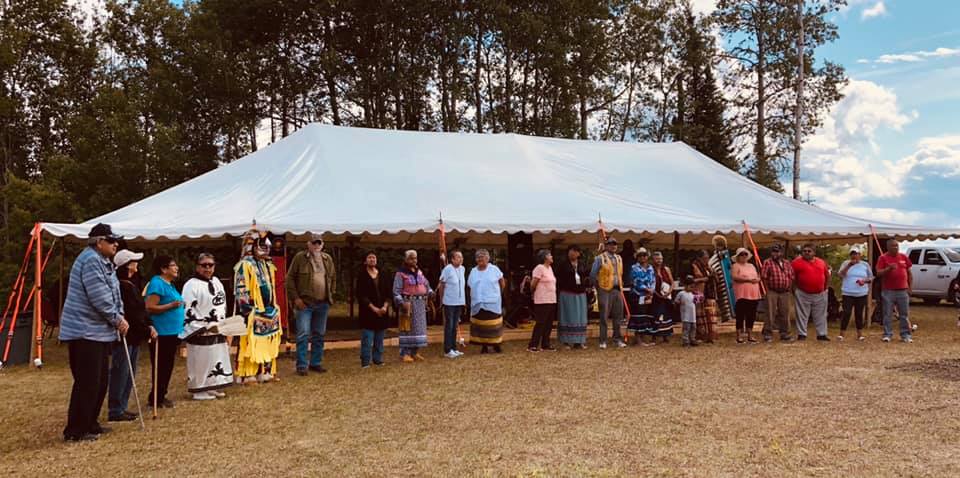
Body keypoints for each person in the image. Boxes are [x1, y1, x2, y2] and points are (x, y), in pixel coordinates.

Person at [60, 224, 129, 441]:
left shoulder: (103, 262)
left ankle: (90, 422)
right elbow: (99, 297)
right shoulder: (90, 260)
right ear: (99, 241)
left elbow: (114, 293)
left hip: (98, 332)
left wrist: (119, 314)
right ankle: (76, 430)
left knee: (100, 381)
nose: (115, 244)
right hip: (84, 331)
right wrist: (117, 319)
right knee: (88, 381)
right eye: (111, 240)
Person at [107, 249, 156, 422]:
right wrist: (146, 328)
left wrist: (148, 325)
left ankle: (122, 406)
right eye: (134, 261)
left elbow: (141, 309)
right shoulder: (121, 286)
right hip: (125, 335)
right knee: (121, 371)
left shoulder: (132, 283)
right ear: (127, 265)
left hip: (134, 335)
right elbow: (133, 312)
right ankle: (115, 409)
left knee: (129, 372)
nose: (137, 264)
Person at [180, 253, 233, 400]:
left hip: (217, 327)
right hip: (200, 329)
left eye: (211, 265)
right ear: (197, 266)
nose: (208, 268)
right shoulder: (191, 285)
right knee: (201, 359)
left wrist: (222, 323)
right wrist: (200, 326)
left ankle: (212, 385)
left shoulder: (217, 282)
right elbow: (187, 307)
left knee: (216, 357)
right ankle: (199, 390)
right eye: (204, 265)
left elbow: (222, 304)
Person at [234, 229, 282, 382]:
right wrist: (247, 310)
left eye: (267, 244)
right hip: (253, 311)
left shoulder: (267, 264)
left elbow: (271, 287)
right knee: (250, 342)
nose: (267, 247)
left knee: (267, 340)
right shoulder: (244, 265)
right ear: (251, 246)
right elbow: (241, 289)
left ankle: (264, 372)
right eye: (261, 244)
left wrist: (273, 305)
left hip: (269, 310)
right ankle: (248, 374)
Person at [286, 233, 336, 375]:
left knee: (319, 334)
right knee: (303, 334)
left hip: (322, 303)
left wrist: (330, 295)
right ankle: (302, 365)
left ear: (322, 244)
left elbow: (333, 278)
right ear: (308, 244)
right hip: (305, 303)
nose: (316, 245)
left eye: (319, 243)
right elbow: (289, 279)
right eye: (314, 243)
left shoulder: (328, 259)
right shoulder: (300, 258)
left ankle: (315, 363)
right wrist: (296, 299)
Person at [145, 255, 185, 408]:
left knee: (167, 365)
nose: (176, 268)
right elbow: (149, 307)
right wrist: (171, 306)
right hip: (162, 332)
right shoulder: (157, 283)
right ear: (163, 269)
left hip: (172, 332)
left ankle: (161, 395)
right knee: (161, 365)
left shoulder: (169, 284)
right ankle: (155, 398)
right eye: (173, 265)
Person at [393, 250, 434, 361]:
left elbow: (426, 284)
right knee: (407, 328)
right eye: (411, 258)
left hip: (420, 304)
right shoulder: (400, 273)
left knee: (419, 329)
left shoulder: (419, 272)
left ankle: (415, 352)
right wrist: (401, 303)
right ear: (406, 260)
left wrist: (430, 292)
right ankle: (404, 354)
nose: (414, 260)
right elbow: (396, 291)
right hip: (407, 304)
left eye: (415, 258)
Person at [356, 251, 391, 368]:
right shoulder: (362, 275)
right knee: (367, 338)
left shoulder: (383, 274)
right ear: (365, 261)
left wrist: (385, 306)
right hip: (368, 312)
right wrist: (373, 308)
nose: (372, 259)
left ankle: (378, 359)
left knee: (379, 338)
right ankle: (365, 361)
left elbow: (388, 293)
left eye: (374, 257)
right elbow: (361, 295)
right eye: (369, 257)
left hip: (382, 311)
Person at [590, 237, 627, 349]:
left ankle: (617, 339)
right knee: (604, 316)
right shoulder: (600, 258)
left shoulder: (619, 258)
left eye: (615, 244)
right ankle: (603, 340)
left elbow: (620, 274)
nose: (613, 246)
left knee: (618, 316)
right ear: (606, 246)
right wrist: (598, 287)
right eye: (611, 244)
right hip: (604, 289)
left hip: (617, 289)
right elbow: (592, 274)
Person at [467, 249, 506, 353]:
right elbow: (470, 286)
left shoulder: (494, 269)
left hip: (492, 303)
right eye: (478, 257)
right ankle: (484, 346)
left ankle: (496, 345)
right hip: (478, 303)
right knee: (481, 326)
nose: (480, 259)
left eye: (483, 257)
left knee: (494, 325)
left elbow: (502, 283)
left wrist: (498, 294)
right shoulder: (473, 271)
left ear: (488, 258)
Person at [792, 243, 831, 341]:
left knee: (821, 315)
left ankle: (821, 334)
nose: (806, 253)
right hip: (802, 293)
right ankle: (802, 334)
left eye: (809, 251)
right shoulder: (796, 262)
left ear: (814, 252)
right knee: (802, 315)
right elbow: (792, 278)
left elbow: (827, 275)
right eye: (804, 251)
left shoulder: (821, 262)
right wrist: (795, 290)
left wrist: (825, 289)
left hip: (820, 293)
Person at [876, 239, 913, 343]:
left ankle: (905, 335)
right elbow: (878, 273)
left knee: (904, 314)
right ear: (887, 247)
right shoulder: (882, 258)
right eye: (893, 246)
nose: (895, 247)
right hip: (888, 290)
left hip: (903, 290)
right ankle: (887, 334)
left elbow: (909, 273)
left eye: (897, 245)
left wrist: (910, 287)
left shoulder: (903, 257)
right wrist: (888, 269)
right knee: (887, 313)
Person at [556, 245, 590, 349]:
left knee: (580, 317)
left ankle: (578, 341)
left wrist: (587, 286)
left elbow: (586, 275)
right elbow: (557, 277)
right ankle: (566, 341)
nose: (573, 253)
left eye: (576, 252)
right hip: (567, 293)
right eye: (571, 251)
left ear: (579, 254)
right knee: (567, 316)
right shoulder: (562, 264)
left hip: (580, 293)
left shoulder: (582, 264)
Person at [760, 244, 795, 343]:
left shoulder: (787, 263)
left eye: (777, 251)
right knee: (770, 313)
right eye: (773, 251)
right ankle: (767, 334)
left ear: (781, 253)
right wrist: (767, 290)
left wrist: (789, 287)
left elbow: (791, 276)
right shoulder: (768, 262)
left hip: (784, 292)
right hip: (772, 291)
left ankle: (785, 334)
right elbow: (764, 277)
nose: (775, 253)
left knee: (785, 313)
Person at [838, 248, 874, 342]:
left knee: (859, 313)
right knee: (846, 312)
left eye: (856, 254)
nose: (854, 256)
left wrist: (864, 281)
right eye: (852, 254)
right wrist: (849, 265)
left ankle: (859, 334)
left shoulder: (865, 264)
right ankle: (842, 334)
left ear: (860, 255)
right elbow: (841, 275)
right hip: (847, 293)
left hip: (861, 293)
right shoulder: (846, 263)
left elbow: (871, 277)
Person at [437, 250, 466, 358]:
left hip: (459, 301)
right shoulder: (447, 269)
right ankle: (447, 349)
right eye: (458, 257)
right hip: (449, 301)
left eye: (461, 257)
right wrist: (441, 300)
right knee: (449, 325)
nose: (461, 259)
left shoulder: (462, 269)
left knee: (455, 325)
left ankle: (454, 348)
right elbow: (441, 285)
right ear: (452, 259)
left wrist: (464, 301)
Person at [528, 249, 558, 352]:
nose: (552, 257)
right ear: (545, 257)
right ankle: (533, 344)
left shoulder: (550, 268)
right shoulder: (539, 268)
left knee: (549, 323)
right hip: (542, 300)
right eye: (550, 255)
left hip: (551, 299)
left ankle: (546, 344)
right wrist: (533, 293)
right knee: (540, 322)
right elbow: (533, 284)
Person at [731, 248, 762, 344]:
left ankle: (750, 335)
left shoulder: (751, 265)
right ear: (738, 256)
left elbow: (757, 276)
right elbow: (735, 277)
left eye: (745, 254)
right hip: (742, 294)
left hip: (753, 294)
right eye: (741, 254)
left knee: (751, 315)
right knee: (740, 315)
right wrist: (748, 280)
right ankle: (739, 335)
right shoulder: (735, 266)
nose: (744, 256)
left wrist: (757, 280)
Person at [627, 248, 656, 346]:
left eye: (644, 255)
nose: (643, 257)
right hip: (637, 295)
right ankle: (638, 340)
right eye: (640, 255)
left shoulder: (650, 268)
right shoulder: (634, 268)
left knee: (645, 316)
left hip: (648, 296)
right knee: (638, 316)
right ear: (637, 257)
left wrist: (651, 290)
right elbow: (636, 281)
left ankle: (641, 339)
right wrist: (646, 289)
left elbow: (653, 280)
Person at [690, 250, 718, 343]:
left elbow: (715, 278)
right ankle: (701, 335)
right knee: (699, 314)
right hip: (698, 292)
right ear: (699, 258)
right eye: (705, 258)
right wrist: (704, 279)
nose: (706, 260)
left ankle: (711, 336)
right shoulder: (694, 266)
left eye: (707, 258)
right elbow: (690, 280)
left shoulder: (709, 267)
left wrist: (713, 275)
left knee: (710, 314)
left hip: (710, 293)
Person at [650, 251, 675, 343]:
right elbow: (649, 283)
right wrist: (657, 294)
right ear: (653, 260)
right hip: (655, 296)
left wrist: (668, 292)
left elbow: (672, 283)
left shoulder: (666, 269)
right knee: (656, 315)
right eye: (657, 259)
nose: (659, 261)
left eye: (660, 259)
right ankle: (654, 335)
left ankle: (665, 335)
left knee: (666, 315)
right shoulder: (650, 269)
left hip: (666, 296)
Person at [675, 275, 698, 346]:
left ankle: (692, 339)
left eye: (693, 287)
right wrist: (679, 303)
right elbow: (676, 301)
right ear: (685, 285)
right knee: (686, 328)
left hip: (693, 315)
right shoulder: (681, 293)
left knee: (693, 328)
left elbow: (695, 302)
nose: (692, 288)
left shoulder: (692, 294)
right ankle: (685, 341)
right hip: (686, 316)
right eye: (691, 287)